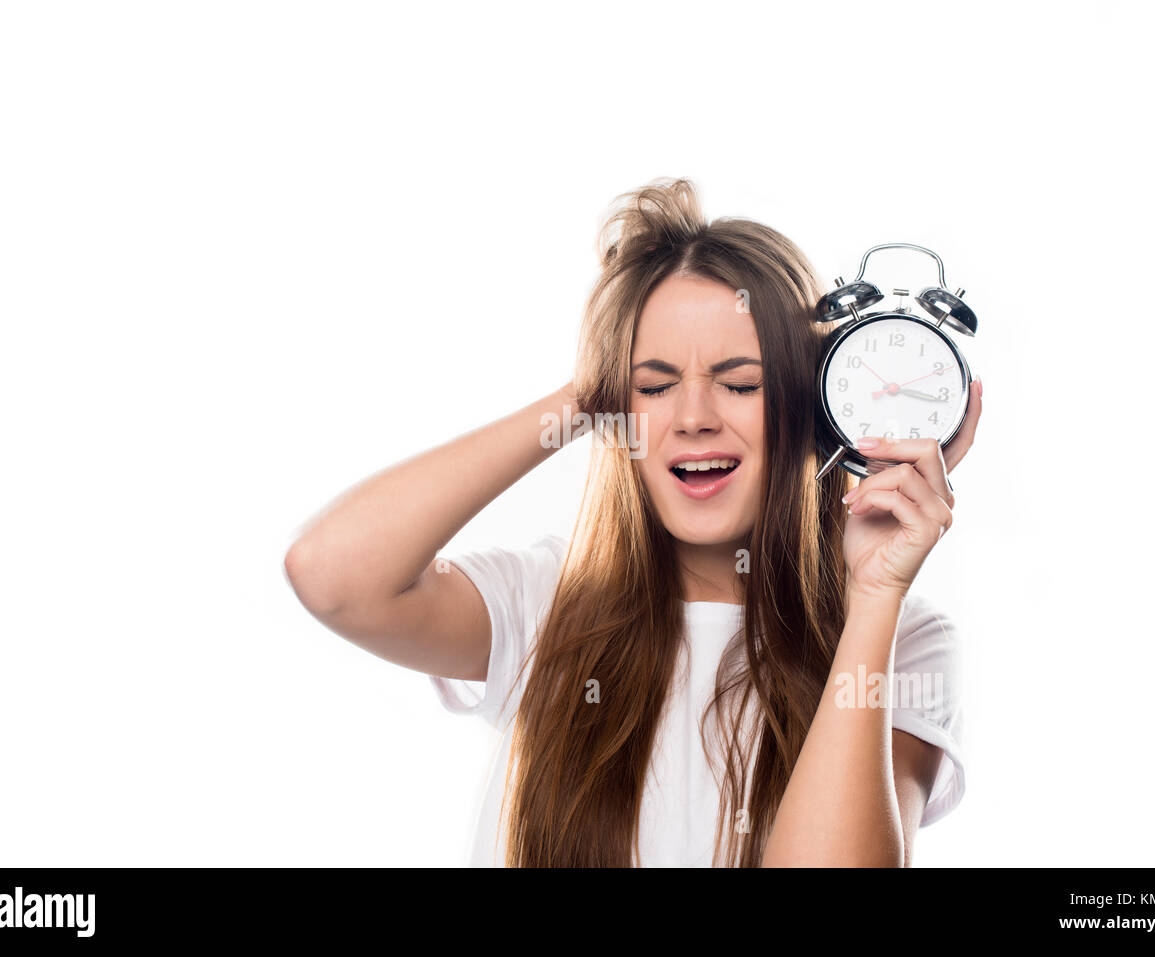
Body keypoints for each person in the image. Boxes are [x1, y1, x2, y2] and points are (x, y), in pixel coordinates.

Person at [284, 177, 983, 867]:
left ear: (810, 405)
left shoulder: (904, 643)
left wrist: (874, 595)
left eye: (741, 383)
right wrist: (583, 394)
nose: (693, 416)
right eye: (652, 385)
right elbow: (331, 573)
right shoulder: (547, 604)